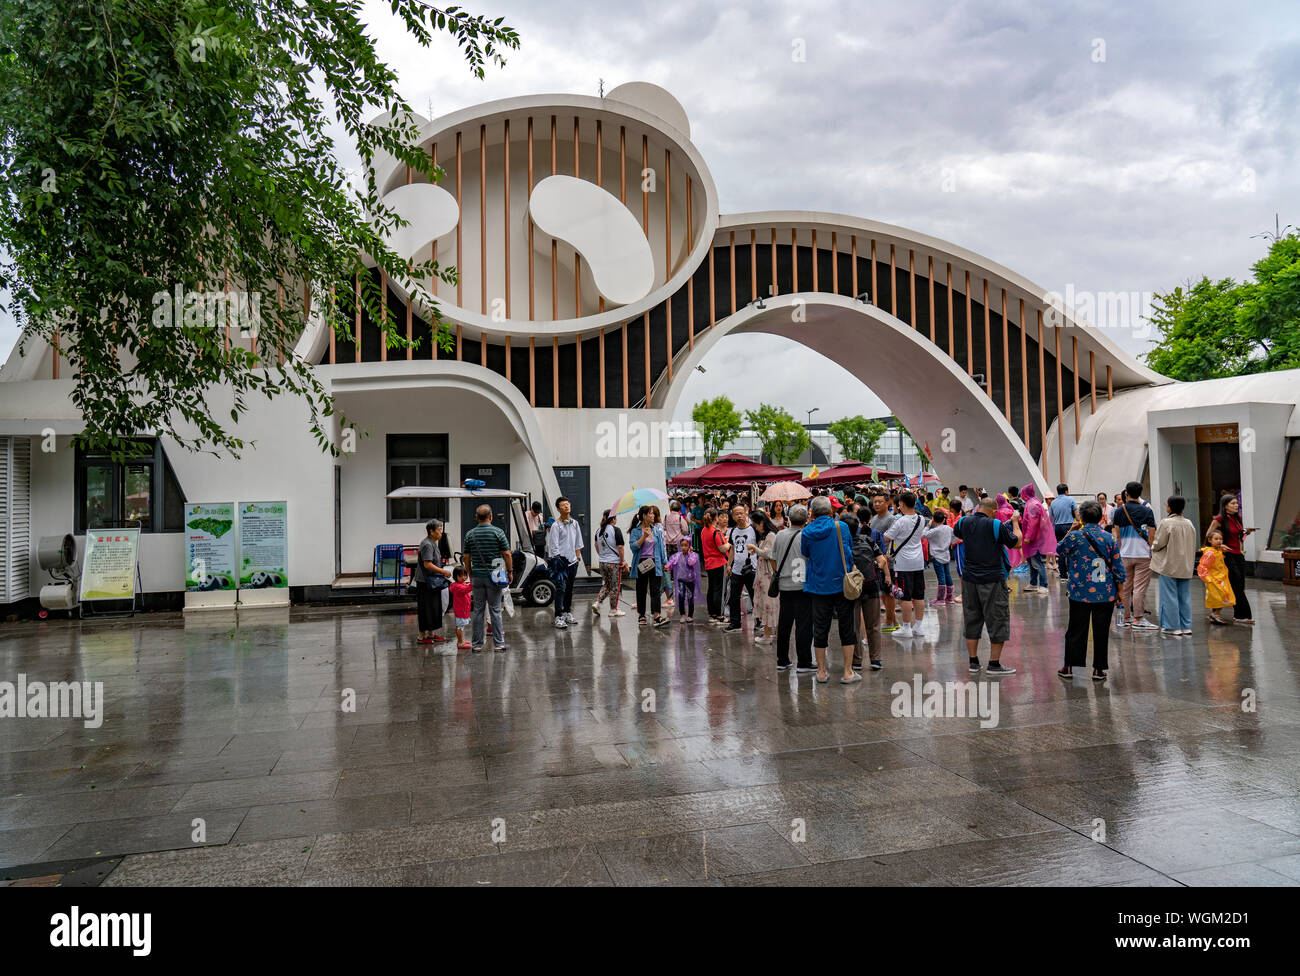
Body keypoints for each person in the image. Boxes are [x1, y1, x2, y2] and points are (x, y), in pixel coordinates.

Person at [1056, 499, 1125, 680]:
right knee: (1101, 630)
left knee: (1075, 629)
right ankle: (1098, 670)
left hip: (1080, 591)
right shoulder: (1109, 537)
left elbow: (1059, 549)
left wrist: (1072, 529)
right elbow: (1118, 566)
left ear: (1081, 517)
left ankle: (1069, 666)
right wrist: (1120, 591)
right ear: (1101, 517)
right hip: (1105, 591)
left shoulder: (1075, 536)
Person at [953, 496, 1022, 674]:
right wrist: (1015, 523)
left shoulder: (963, 522)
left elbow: (958, 533)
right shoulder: (995, 524)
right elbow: (1017, 543)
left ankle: (973, 662)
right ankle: (994, 664)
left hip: (969, 579)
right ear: (993, 511)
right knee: (997, 619)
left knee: (971, 618)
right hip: (992, 578)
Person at [800, 496, 860, 684]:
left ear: (812, 513)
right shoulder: (840, 527)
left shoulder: (807, 531)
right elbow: (849, 548)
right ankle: (848, 672)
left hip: (818, 585)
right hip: (842, 583)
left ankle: (821, 671)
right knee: (846, 626)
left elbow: (806, 553)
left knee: (820, 627)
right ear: (830, 511)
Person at [462, 505, 511, 652]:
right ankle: (499, 643)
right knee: (495, 610)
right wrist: (510, 571)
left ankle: (477, 644)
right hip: (494, 578)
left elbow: (466, 557)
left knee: (478, 610)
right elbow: (507, 554)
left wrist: (470, 573)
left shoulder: (470, 534)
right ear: (491, 516)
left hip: (477, 576)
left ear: (476, 517)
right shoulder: (498, 532)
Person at [773, 504, 815, 674]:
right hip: (803, 585)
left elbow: (773, 558)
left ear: (788, 518)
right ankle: (804, 661)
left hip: (784, 584)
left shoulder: (780, 535)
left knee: (784, 623)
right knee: (803, 625)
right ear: (806, 519)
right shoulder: (808, 535)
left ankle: (782, 659)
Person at [845, 512, 889, 671]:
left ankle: (856, 661)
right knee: (874, 625)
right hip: (871, 586)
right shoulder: (868, 540)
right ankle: (876, 659)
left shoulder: (842, 545)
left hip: (851, 588)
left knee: (855, 625)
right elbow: (882, 560)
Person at [1112, 481, 1157, 631]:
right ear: (1140, 493)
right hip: (1143, 555)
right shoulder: (1147, 511)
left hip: (1124, 554)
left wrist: (1119, 551)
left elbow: (1117, 535)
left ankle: (1125, 618)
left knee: (1125, 587)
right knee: (1139, 588)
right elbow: (1152, 536)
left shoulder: (1119, 511)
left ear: (1126, 494)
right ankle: (1138, 619)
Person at [883, 491, 928, 638]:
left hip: (903, 564)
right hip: (918, 562)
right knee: (919, 595)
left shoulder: (901, 521)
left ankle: (907, 627)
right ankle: (919, 627)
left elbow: (887, 537)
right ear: (915, 503)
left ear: (901, 504)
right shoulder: (921, 519)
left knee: (905, 597)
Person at [1205, 494, 1255, 625]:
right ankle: (1241, 615)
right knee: (1236, 584)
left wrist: (1245, 532)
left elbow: (1237, 536)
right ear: (1225, 506)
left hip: (1239, 554)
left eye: (1236, 503)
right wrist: (1219, 545)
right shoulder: (1219, 519)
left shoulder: (1237, 518)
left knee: (1240, 585)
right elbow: (1208, 535)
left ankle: (1237, 614)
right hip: (1227, 555)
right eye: (1233, 503)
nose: (1236, 505)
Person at [1151, 495, 1197, 635]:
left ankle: (1172, 626)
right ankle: (1186, 625)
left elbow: (1158, 543)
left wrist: (1153, 547)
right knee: (1184, 596)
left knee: (1169, 596)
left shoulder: (1166, 523)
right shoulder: (1189, 523)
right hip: (1186, 565)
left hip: (1169, 565)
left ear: (1169, 507)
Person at [413, 518, 452, 645]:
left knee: (433, 607)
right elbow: (427, 564)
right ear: (431, 531)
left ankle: (430, 634)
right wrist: (443, 572)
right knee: (426, 608)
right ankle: (421, 636)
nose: (441, 532)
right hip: (425, 582)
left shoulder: (432, 543)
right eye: (439, 530)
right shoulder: (427, 544)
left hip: (432, 581)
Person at [546, 496, 583, 630]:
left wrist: (577, 558)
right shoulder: (556, 526)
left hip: (573, 562)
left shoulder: (575, 523)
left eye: (568, 504)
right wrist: (558, 562)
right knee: (560, 589)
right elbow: (553, 547)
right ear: (558, 509)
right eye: (563, 505)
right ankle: (558, 616)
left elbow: (578, 543)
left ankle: (567, 612)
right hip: (560, 564)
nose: (567, 506)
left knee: (569, 589)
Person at [629, 506, 669, 627]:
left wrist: (664, 562)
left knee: (655, 589)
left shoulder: (656, 530)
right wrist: (644, 537)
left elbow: (661, 547)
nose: (653, 516)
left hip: (654, 561)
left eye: (653, 514)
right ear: (644, 516)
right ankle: (641, 614)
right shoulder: (636, 531)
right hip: (642, 562)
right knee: (641, 589)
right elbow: (633, 547)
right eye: (650, 514)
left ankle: (656, 615)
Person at [724, 504, 757, 634]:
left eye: (741, 513)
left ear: (745, 514)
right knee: (734, 597)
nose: (739, 516)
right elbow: (732, 549)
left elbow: (759, 547)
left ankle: (759, 622)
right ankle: (735, 622)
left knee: (755, 597)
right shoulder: (733, 531)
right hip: (737, 570)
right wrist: (728, 565)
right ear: (733, 516)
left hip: (751, 569)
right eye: (736, 514)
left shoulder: (753, 529)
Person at [1019, 483, 1057, 594]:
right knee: (1031, 562)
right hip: (1032, 538)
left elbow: (1033, 522)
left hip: (1033, 539)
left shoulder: (1032, 504)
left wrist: (1028, 537)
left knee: (1036, 562)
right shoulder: (1032, 503)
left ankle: (1044, 585)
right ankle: (1033, 583)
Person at [869, 493, 899, 632]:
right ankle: (894, 620)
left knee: (889, 592)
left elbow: (891, 540)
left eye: (880, 502)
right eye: (875, 502)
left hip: (887, 561)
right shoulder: (874, 518)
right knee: (884, 592)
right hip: (876, 561)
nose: (876, 504)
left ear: (887, 503)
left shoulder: (891, 519)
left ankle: (889, 620)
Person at [750, 510, 779, 644]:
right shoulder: (768, 535)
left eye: (756, 524)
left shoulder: (771, 535)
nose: (756, 527)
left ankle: (767, 636)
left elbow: (768, 554)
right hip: (764, 575)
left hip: (768, 576)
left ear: (761, 522)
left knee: (769, 604)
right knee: (770, 604)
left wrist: (755, 548)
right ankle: (773, 633)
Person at [592, 508, 626, 617]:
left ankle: (597, 603)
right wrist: (622, 560)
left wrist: (602, 555)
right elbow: (620, 547)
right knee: (615, 586)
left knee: (607, 584)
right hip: (614, 563)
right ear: (613, 519)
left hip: (602, 562)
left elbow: (596, 545)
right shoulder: (615, 530)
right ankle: (613, 610)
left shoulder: (598, 531)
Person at [1198, 530, 1235, 625]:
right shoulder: (1210, 553)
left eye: (1221, 539)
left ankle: (1214, 614)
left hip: (1220, 578)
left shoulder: (1217, 550)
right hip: (1214, 579)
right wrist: (1207, 579)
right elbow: (1203, 566)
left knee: (1219, 596)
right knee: (1220, 596)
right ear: (1210, 540)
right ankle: (1216, 614)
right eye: (1216, 539)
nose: (1219, 541)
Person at [700, 509, 728, 624]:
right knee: (719, 589)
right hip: (719, 562)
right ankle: (720, 614)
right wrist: (729, 544)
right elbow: (722, 548)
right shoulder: (715, 531)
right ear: (716, 518)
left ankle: (712, 613)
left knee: (711, 588)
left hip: (708, 563)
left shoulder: (703, 530)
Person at [665, 537, 703, 622]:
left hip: (690, 580)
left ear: (689, 546)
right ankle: (682, 615)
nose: (683, 547)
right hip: (680, 579)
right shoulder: (678, 555)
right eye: (682, 545)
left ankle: (690, 615)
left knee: (690, 597)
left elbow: (691, 563)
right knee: (681, 597)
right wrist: (667, 566)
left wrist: (689, 553)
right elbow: (671, 562)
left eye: (686, 545)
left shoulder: (693, 555)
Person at [924, 508, 956, 606]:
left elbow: (923, 534)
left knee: (941, 577)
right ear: (944, 520)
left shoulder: (934, 531)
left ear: (934, 520)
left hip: (937, 557)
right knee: (947, 575)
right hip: (946, 555)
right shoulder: (948, 528)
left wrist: (929, 524)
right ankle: (950, 598)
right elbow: (955, 538)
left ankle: (941, 599)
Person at [1049, 485, 1078, 580]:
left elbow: (1050, 518)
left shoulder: (1053, 502)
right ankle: (1071, 573)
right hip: (1069, 526)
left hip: (1058, 527)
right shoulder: (1070, 499)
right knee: (1071, 550)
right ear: (1066, 491)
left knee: (1060, 550)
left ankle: (1063, 575)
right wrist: (1079, 522)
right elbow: (1077, 514)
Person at [448, 566, 474, 650]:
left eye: (465, 575)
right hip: (460, 610)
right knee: (460, 626)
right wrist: (473, 581)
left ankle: (461, 640)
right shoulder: (457, 587)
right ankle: (460, 643)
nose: (464, 577)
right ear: (455, 577)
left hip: (463, 609)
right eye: (461, 576)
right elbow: (467, 588)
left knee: (461, 626)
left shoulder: (460, 584)